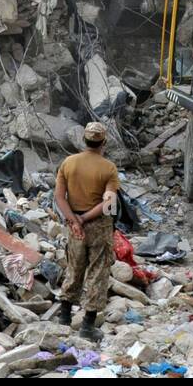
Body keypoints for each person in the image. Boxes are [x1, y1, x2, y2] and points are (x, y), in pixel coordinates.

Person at [54, 122, 121, 341]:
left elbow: (59, 197)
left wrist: (74, 220)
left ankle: (64, 318)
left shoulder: (68, 162)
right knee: (98, 271)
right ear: (103, 142)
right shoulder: (108, 168)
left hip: (75, 225)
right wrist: (84, 218)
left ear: (84, 140)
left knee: (74, 267)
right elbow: (108, 203)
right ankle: (87, 325)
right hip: (98, 225)